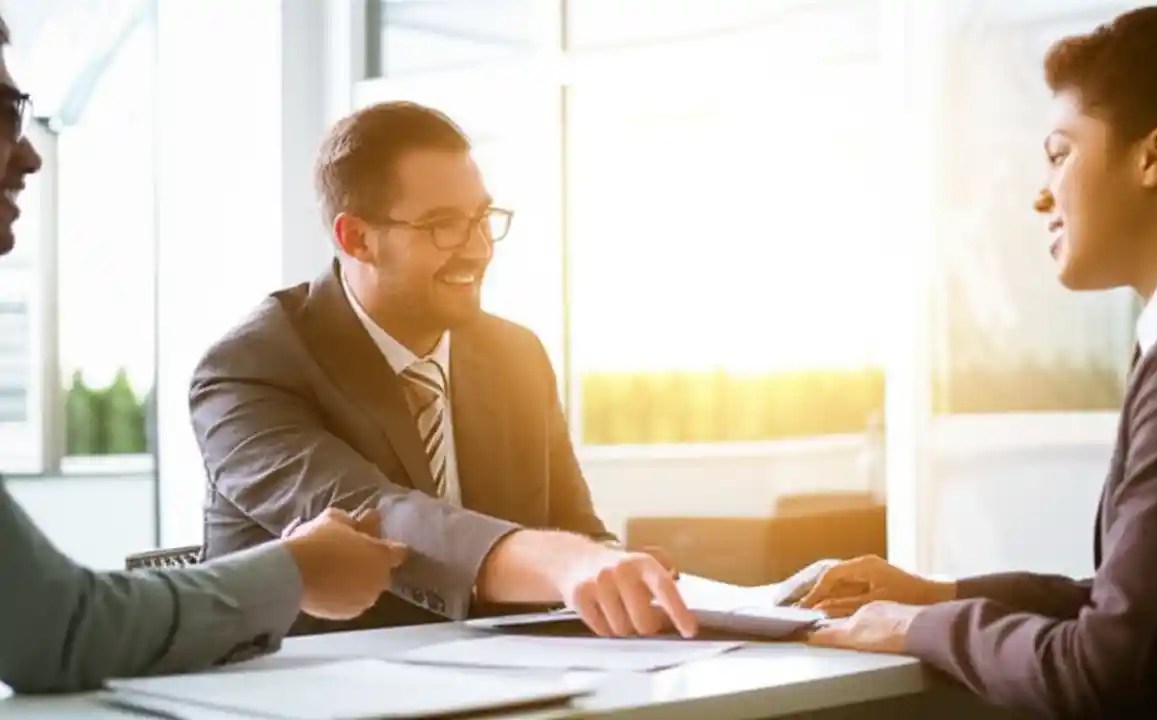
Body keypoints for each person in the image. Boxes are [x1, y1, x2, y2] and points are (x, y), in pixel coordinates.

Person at [798, 7, 1157, 718]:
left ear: (1156, 156)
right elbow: (1150, 604)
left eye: (1060, 153)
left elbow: (1104, 674)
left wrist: (915, 627)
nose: (1041, 194)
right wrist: (940, 595)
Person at [0, 17, 408, 694]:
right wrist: (297, 569)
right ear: (354, 237)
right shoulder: (252, 360)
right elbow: (61, 628)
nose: (31, 155)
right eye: (7, 110)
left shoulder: (511, 356)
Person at [190, 102, 695, 639]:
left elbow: (573, 531)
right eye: (444, 226)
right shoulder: (247, 370)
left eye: (481, 219)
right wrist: (565, 564)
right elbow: (376, 517)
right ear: (356, 238)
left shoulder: (515, 355)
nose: (478, 249)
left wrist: (614, 567)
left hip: (506, 682)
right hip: (305, 690)